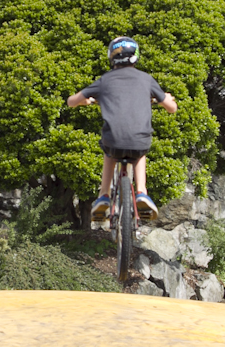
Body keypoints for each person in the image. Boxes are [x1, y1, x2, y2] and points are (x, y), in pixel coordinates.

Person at [66, 37, 177, 223]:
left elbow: (71, 101)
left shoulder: (104, 81)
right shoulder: (146, 79)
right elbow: (171, 108)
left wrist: (86, 101)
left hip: (114, 142)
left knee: (109, 150)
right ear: (136, 56)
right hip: (139, 142)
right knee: (140, 152)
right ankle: (141, 191)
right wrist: (164, 98)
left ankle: (103, 195)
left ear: (111, 56)